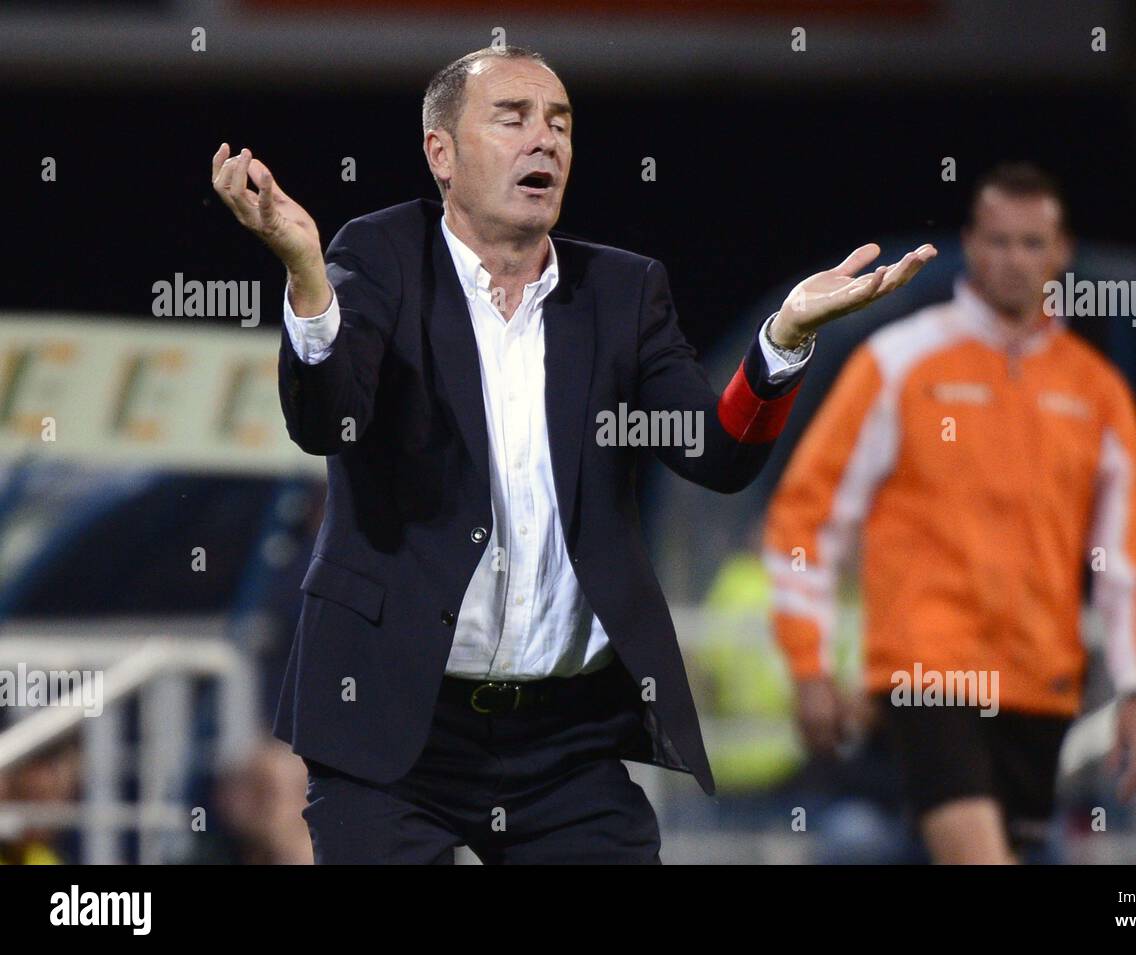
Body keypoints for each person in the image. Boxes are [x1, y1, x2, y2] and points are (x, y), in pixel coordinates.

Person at [211, 45, 934, 863]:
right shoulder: (379, 256)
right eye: (512, 119)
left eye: (560, 124)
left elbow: (715, 452)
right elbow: (326, 418)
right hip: (394, 726)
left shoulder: (623, 292)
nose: (544, 141)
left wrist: (781, 341)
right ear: (440, 153)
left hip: (565, 742)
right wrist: (307, 275)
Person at [765, 162, 1136, 864]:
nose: (1013, 261)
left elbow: (1134, 556)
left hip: (1042, 685)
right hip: (930, 670)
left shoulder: (1095, 391)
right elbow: (807, 513)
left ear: (1062, 253)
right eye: (997, 241)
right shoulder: (899, 362)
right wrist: (809, 664)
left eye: (1030, 242)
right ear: (970, 243)